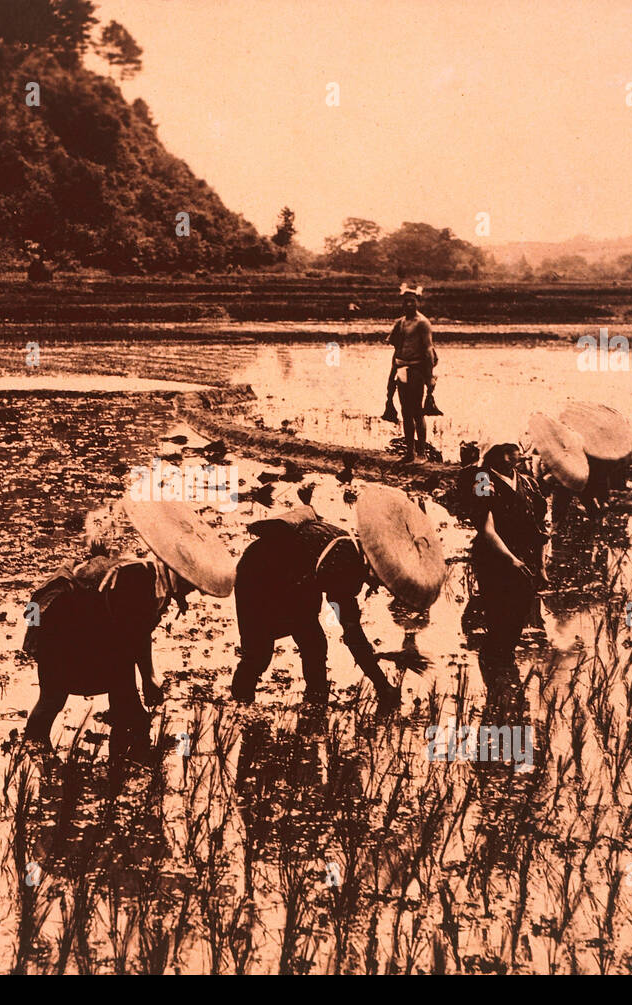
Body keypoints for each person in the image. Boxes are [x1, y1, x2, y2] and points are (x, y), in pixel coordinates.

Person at [23, 552, 193, 761]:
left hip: (98, 633)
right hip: (61, 629)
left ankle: (121, 762)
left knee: (127, 705)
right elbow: (137, 635)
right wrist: (148, 679)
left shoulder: (159, 579)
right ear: (181, 575)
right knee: (52, 699)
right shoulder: (141, 582)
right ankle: (33, 753)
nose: (195, 591)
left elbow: (138, 633)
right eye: (193, 585)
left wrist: (147, 677)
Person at [231, 507, 400, 707]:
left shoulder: (349, 544)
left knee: (314, 644)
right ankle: (239, 707)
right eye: (380, 580)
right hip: (258, 574)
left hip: (295, 579)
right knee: (258, 654)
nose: (378, 586)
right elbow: (353, 633)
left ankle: (316, 703)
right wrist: (382, 686)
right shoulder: (343, 564)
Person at [468, 441, 548, 662]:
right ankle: (494, 672)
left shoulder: (528, 484)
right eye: (517, 455)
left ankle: (504, 661)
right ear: (504, 457)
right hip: (493, 557)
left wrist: (540, 566)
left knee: (519, 614)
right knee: (497, 614)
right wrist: (510, 559)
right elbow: (486, 529)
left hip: (523, 558)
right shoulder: (483, 480)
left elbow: (539, 527)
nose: (522, 459)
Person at [382, 284, 438, 461]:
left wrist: (429, 378)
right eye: (406, 302)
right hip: (401, 368)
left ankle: (421, 453)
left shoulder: (422, 323)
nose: (408, 305)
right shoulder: (400, 323)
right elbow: (397, 349)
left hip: (416, 369)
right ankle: (409, 453)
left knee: (417, 411)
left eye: (412, 302)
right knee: (405, 411)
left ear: (418, 302)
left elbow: (429, 350)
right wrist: (392, 374)